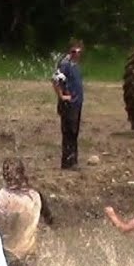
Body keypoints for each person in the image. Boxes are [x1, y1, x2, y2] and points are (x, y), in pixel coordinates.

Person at [51, 40, 84, 170]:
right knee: (69, 132)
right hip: (69, 104)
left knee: (74, 132)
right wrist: (61, 96)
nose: (77, 54)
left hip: (76, 103)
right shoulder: (65, 64)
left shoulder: (75, 65)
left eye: (78, 51)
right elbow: (55, 80)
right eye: (74, 51)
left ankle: (72, 160)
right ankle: (68, 162)